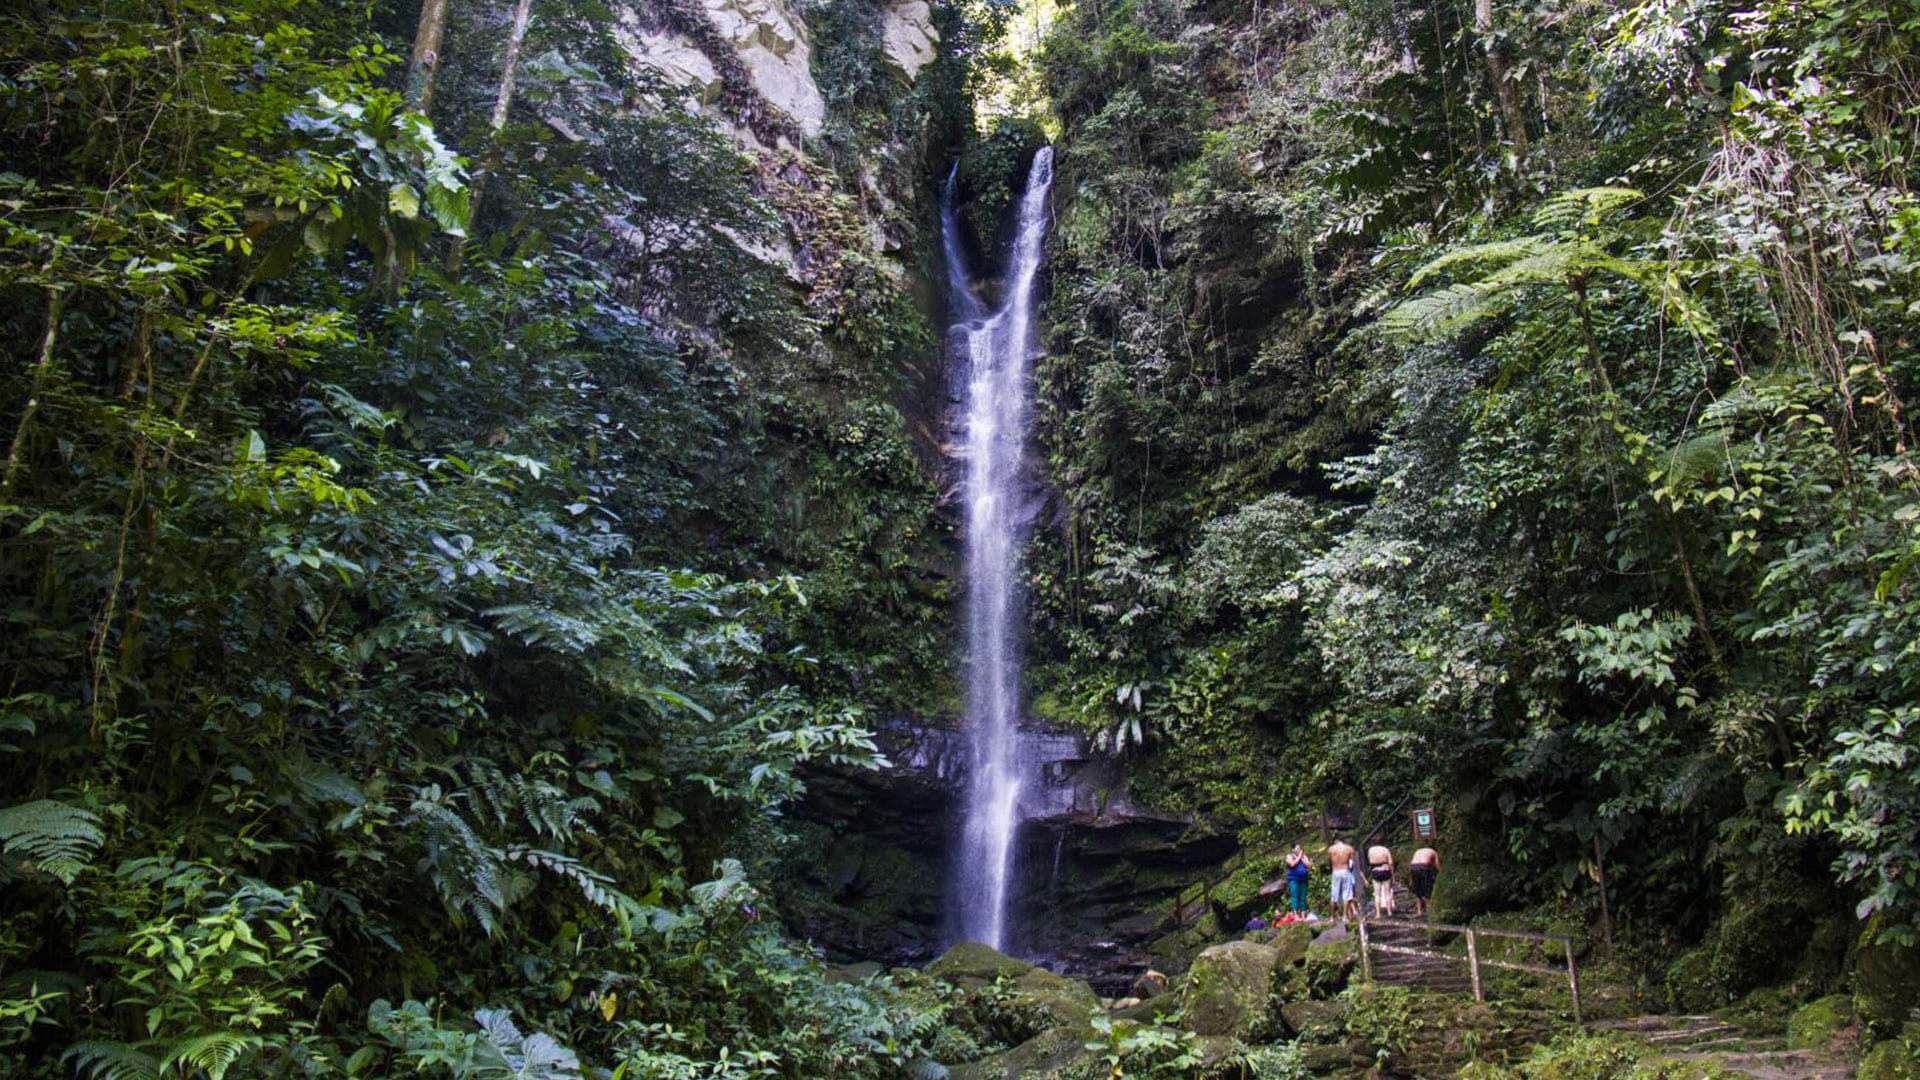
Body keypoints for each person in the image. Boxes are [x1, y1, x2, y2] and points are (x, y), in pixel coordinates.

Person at [1326, 836, 1358, 922]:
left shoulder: (1331, 849)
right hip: (1345, 870)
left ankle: (1332, 917)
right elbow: (1352, 862)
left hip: (1336, 871)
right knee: (1346, 894)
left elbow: (1329, 861)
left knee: (1334, 895)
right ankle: (1345, 916)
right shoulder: (1349, 848)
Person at [1410, 846, 1441, 918]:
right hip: (1423, 867)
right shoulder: (1434, 852)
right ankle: (1429, 911)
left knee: (1417, 890)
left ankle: (1419, 911)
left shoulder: (1418, 850)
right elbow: (1437, 865)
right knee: (1427, 889)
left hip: (1413, 867)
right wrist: (1440, 873)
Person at [1368, 843, 1396, 916]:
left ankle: (1378, 914)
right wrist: (1393, 875)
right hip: (1385, 869)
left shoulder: (1371, 850)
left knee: (1377, 894)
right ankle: (1389, 912)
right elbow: (1390, 862)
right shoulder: (1385, 850)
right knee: (1387, 893)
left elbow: (1370, 861)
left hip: (1375, 870)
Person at [1285, 843, 1312, 915]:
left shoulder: (1304, 856)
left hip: (1303, 879)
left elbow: (1309, 865)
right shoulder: (1289, 856)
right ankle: (1295, 914)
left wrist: (1302, 858)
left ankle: (1303, 914)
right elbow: (1292, 864)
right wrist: (1299, 856)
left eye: (1300, 848)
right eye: (1297, 848)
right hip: (1293, 879)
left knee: (1303, 896)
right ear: (1293, 849)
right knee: (1294, 895)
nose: (1299, 850)